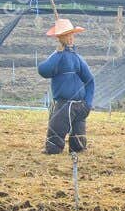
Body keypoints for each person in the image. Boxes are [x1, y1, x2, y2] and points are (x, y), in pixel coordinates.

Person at [38, 18, 95, 154]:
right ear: (59, 38)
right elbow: (43, 70)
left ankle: (77, 149)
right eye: (66, 35)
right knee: (56, 130)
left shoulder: (77, 58)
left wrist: (88, 103)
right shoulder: (56, 57)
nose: (70, 38)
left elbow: (90, 80)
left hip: (80, 105)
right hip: (63, 104)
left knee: (78, 138)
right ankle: (53, 150)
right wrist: (58, 54)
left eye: (71, 35)